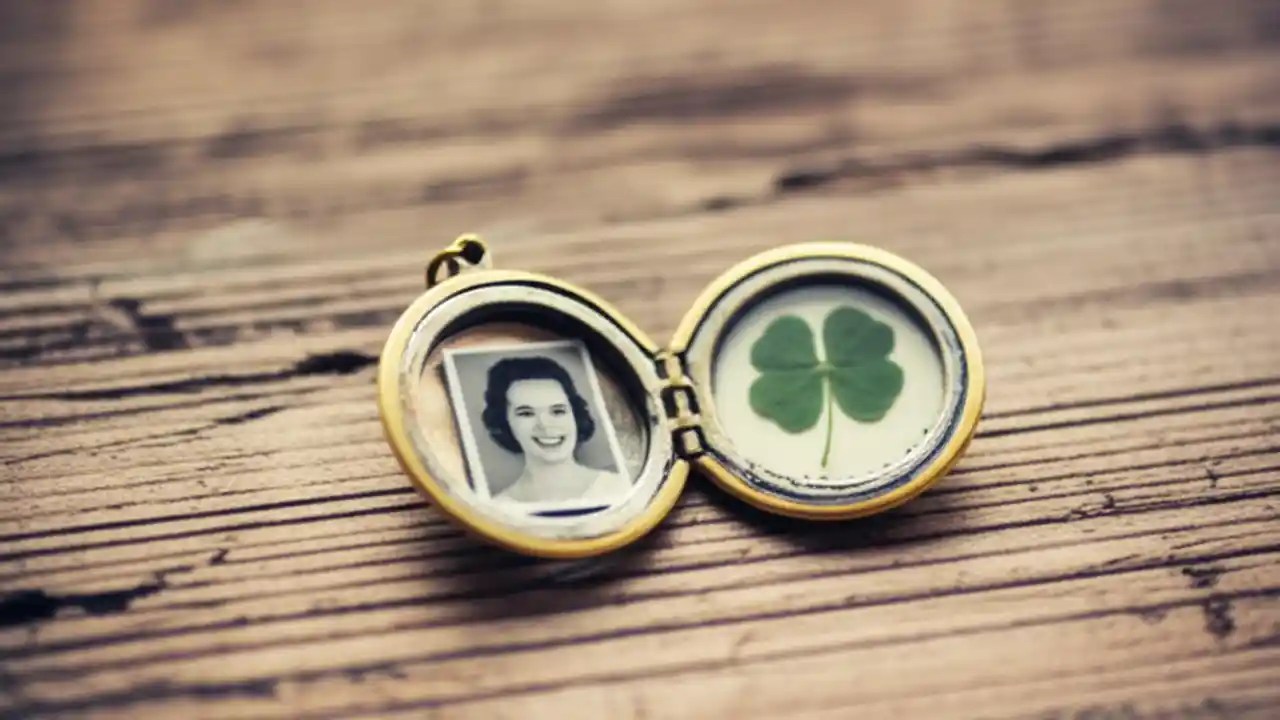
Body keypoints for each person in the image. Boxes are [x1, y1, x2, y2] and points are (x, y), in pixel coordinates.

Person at [480, 355, 630, 505]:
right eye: (526, 413)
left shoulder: (619, 488)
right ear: (504, 422)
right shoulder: (499, 506)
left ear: (575, 414)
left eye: (558, 411)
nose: (545, 425)